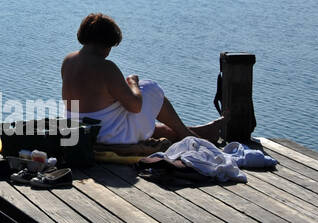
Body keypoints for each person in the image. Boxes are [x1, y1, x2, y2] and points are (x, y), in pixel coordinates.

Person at [61, 14, 224, 145]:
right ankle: (189, 135)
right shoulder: (106, 67)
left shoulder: (68, 60)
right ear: (107, 44)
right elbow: (135, 106)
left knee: (134, 115)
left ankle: (194, 131)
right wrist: (133, 83)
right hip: (106, 136)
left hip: (79, 129)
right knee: (150, 89)